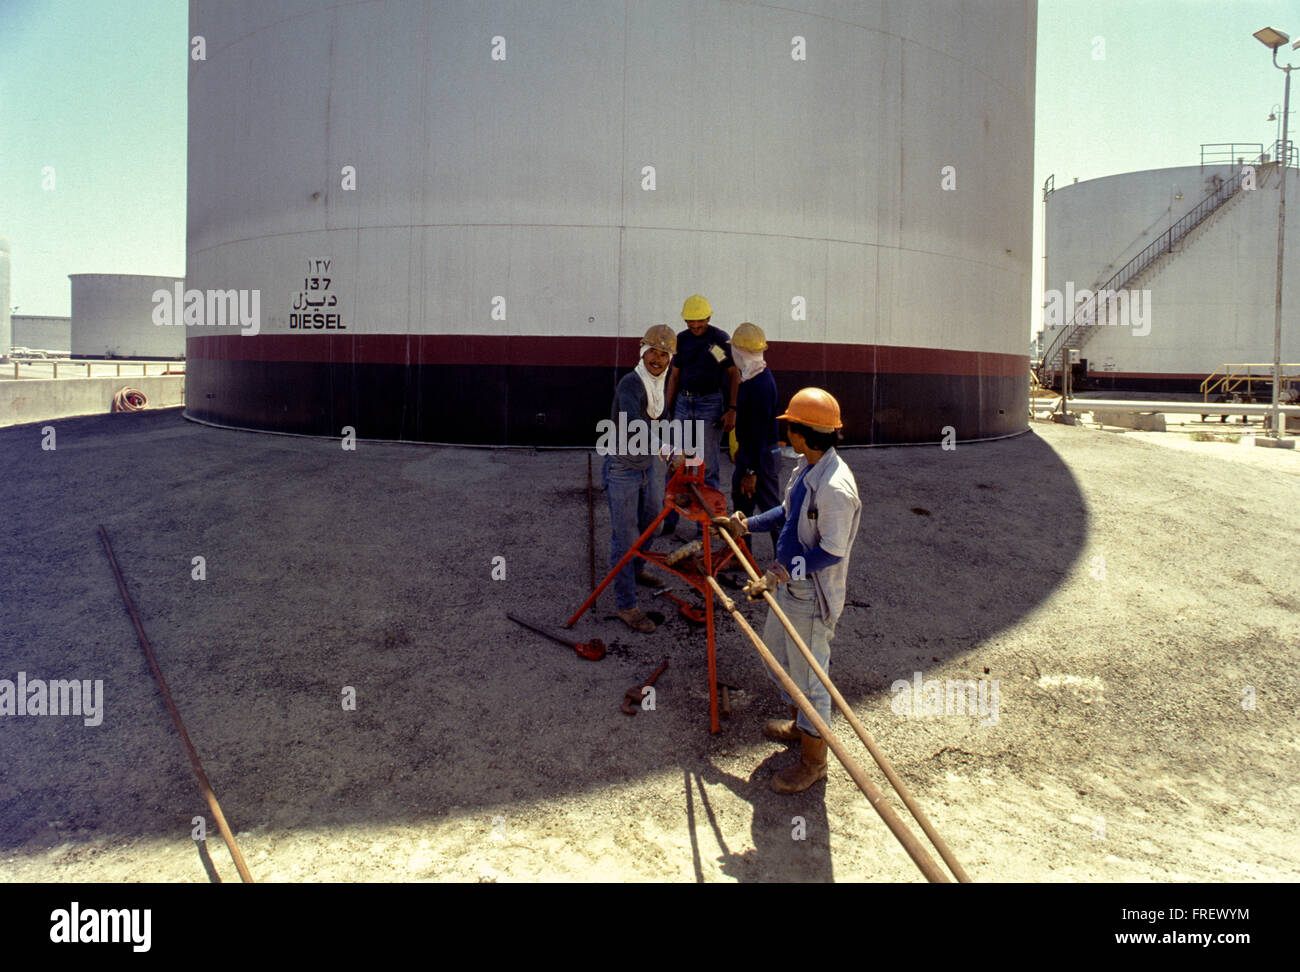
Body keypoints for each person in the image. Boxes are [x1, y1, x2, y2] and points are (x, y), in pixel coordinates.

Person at [713, 388, 861, 793]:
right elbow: (788, 512)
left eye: (791, 427)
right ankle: (802, 725)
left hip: (810, 596)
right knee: (779, 658)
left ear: (804, 433)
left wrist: (780, 574)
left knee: (813, 680)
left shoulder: (835, 488)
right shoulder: (807, 467)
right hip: (789, 585)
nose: (787, 433)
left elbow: (831, 551)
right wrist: (747, 525)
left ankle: (814, 762)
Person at [603, 325, 676, 633]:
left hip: (651, 465)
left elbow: (663, 420)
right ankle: (626, 604)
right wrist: (666, 449)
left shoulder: (660, 383)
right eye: (652, 353)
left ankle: (637, 568)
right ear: (642, 352)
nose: (656, 360)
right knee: (625, 536)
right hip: (624, 466)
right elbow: (634, 425)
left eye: (663, 354)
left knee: (654, 523)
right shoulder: (631, 383)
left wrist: (675, 445)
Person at [664, 295, 739, 492]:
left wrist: (732, 408)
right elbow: (674, 376)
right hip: (683, 403)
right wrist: (666, 408)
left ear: (708, 318)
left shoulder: (719, 340)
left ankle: (705, 522)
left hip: (710, 405)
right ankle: (670, 518)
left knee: (707, 466)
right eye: (690, 320)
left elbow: (733, 373)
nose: (695, 325)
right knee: (676, 462)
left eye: (699, 320)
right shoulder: (681, 340)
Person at [729, 322, 781, 560]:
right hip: (752, 455)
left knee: (771, 511)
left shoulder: (760, 385)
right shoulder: (753, 376)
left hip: (761, 459)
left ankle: (786, 562)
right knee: (742, 506)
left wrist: (751, 471)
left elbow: (759, 434)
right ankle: (742, 558)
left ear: (741, 353)